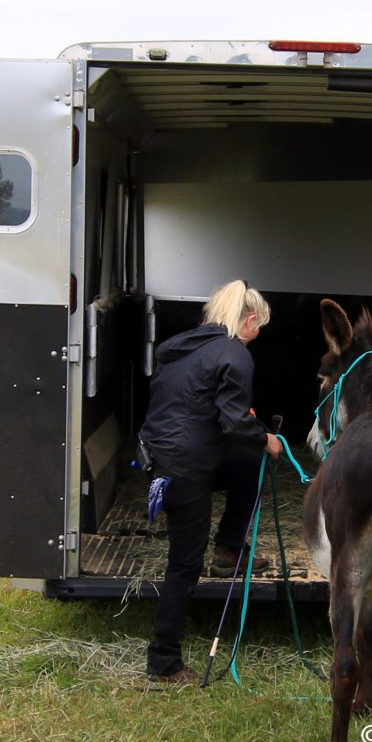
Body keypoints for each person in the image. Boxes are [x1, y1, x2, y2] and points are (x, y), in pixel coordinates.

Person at [139, 280, 282, 682]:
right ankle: (163, 661)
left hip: (163, 456)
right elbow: (234, 422)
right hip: (186, 469)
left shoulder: (181, 345)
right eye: (260, 326)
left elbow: (199, 407)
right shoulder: (236, 354)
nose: (258, 334)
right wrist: (266, 439)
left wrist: (251, 441)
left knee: (248, 465)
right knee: (184, 564)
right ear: (249, 321)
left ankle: (229, 551)